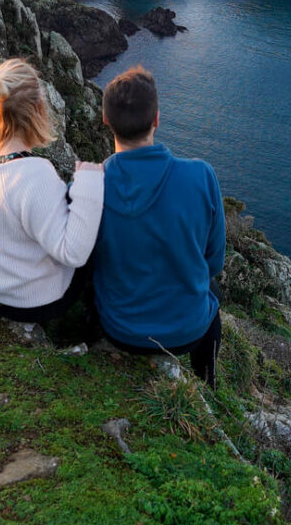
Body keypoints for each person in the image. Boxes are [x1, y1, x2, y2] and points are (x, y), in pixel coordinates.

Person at [93, 65, 225, 385]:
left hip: (118, 328)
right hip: (187, 332)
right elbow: (214, 261)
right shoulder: (201, 175)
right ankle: (207, 381)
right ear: (157, 119)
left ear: (106, 120)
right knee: (213, 296)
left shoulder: (89, 186)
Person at [0, 58, 103, 326]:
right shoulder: (35, 176)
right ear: (37, 109)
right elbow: (74, 253)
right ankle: (89, 327)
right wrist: (90, 183)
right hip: (25, 302)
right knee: (93, 242)